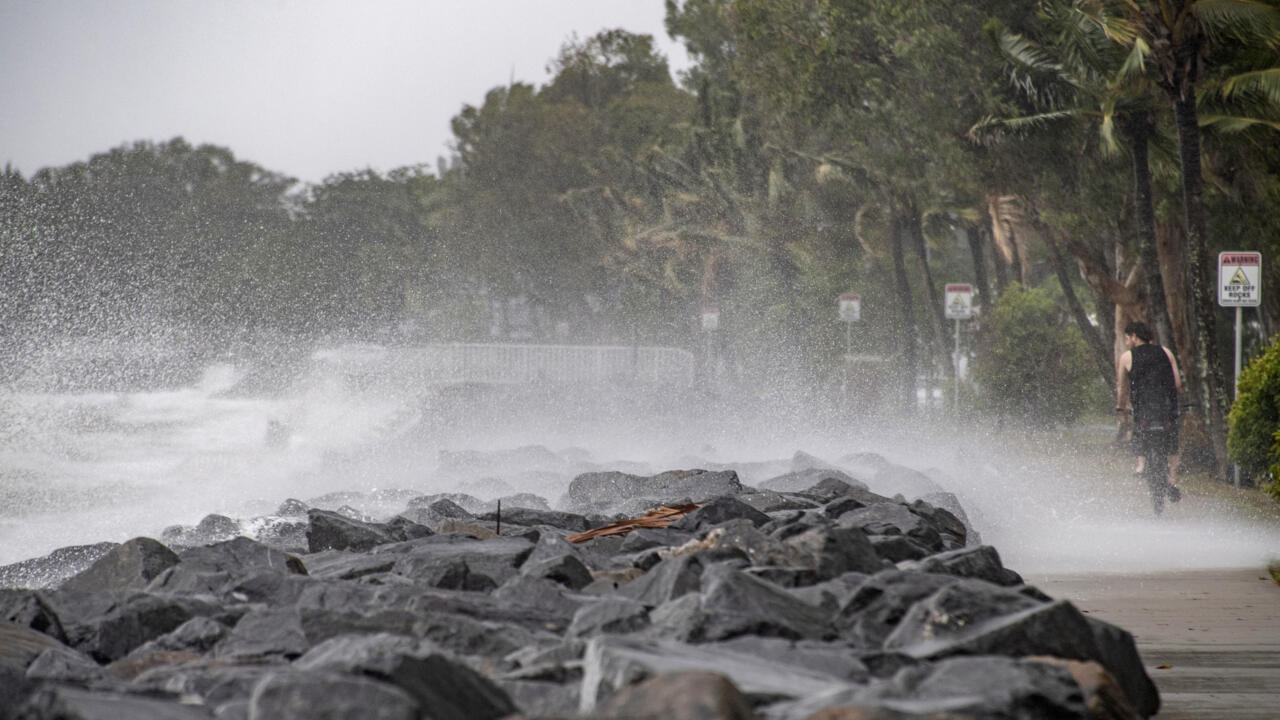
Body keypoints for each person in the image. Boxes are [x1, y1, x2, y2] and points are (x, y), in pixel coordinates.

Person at [1115, 321, 1182, 500]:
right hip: (1166, 407)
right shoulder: (1166, 352)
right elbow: (1177, 384)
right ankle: (1173, 478)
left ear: (1134, 336)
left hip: (1144, 407)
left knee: (1138, 429)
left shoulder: (1127, 357)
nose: (1127, 341)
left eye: (1127, 338)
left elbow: (1122, 387)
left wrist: (1121, 407)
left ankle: (1141, 464)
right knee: (1172, 438)